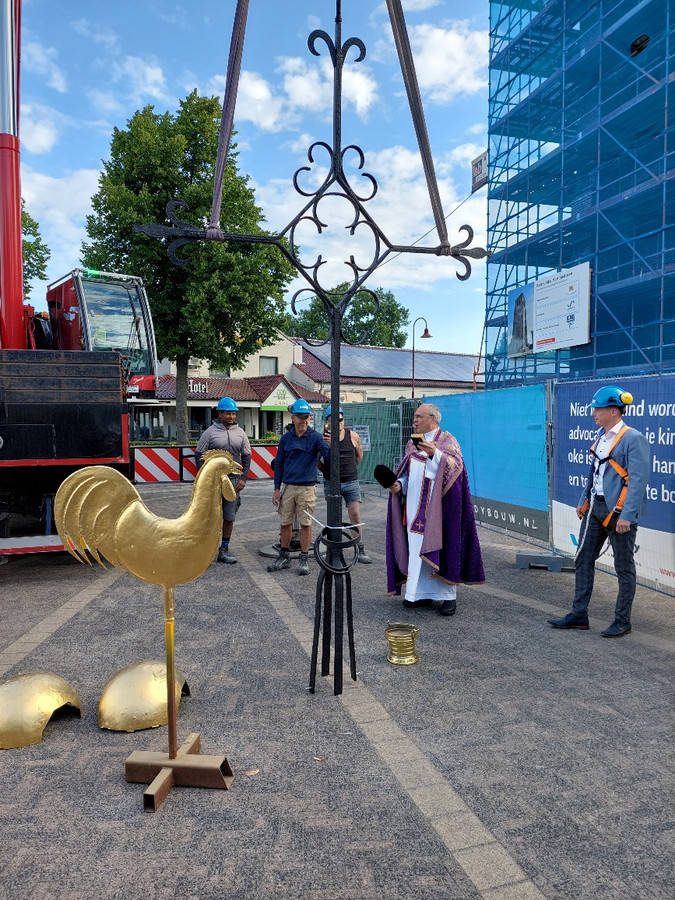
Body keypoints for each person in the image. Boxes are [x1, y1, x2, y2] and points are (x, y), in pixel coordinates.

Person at [548, 385, 650, 637]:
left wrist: (627, 514)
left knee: (623, 567)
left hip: (618, 511)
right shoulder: (601, 438)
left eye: (598, 408)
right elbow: (594, 474)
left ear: (613, 411)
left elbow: (638, 480)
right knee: (583, 559)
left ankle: (622, 621)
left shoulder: (632, 438)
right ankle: (579, 614)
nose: (593, 413)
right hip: (596, 507)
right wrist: (584, 499)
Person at [386, 403, 485, 616]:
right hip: (414, 508)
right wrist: (399, 484)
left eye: (419, 417)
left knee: (443, 546)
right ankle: (417, 594)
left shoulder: (448, 442)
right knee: (415, 550)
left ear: (433, 419)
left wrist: (436, 456)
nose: (415, 420)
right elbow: (409, 472)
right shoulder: (413, 443)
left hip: (439, 510)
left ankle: (447, 597)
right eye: (414, 417)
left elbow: (456, 471)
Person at [268, 398, 330, 576]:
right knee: (285, 522)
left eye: (306, 417)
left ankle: (304, 558)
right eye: (299, 417)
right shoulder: (286, 439)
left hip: (307, 487)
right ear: (292, 417)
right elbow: (279, 463)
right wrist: (277, 488)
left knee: (305, 523)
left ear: (309, 418)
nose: (303, 421)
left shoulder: (316, 438)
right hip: (288, 486)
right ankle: (284, 556)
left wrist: (331, 446)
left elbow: (327, 456)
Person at [195, 397, 251, 564]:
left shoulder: (240, 433)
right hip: (214, 482)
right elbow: (199, 455)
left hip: (233, 481)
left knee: (229, 516)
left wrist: (243, 478)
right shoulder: (210, 433)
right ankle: (205, 552)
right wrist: (206, 478)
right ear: (220, 414)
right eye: (228, 413)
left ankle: (224, 550)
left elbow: (247, 456)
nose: (231, 417)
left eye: (233, 414)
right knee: (210, 517)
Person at [320, 405, 371, 564]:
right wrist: (326, 472)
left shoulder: (353, 436)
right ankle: (333, 548)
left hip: (350, 481)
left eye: (340, 419)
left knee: (355, 514)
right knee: (333, 518)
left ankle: (360, 548)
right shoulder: (323, 438)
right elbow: (317, 460)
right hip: (331, 482)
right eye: (333, 420)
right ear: (327, 422)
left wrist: (350, 469)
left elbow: (359, 455)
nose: (338, 423)